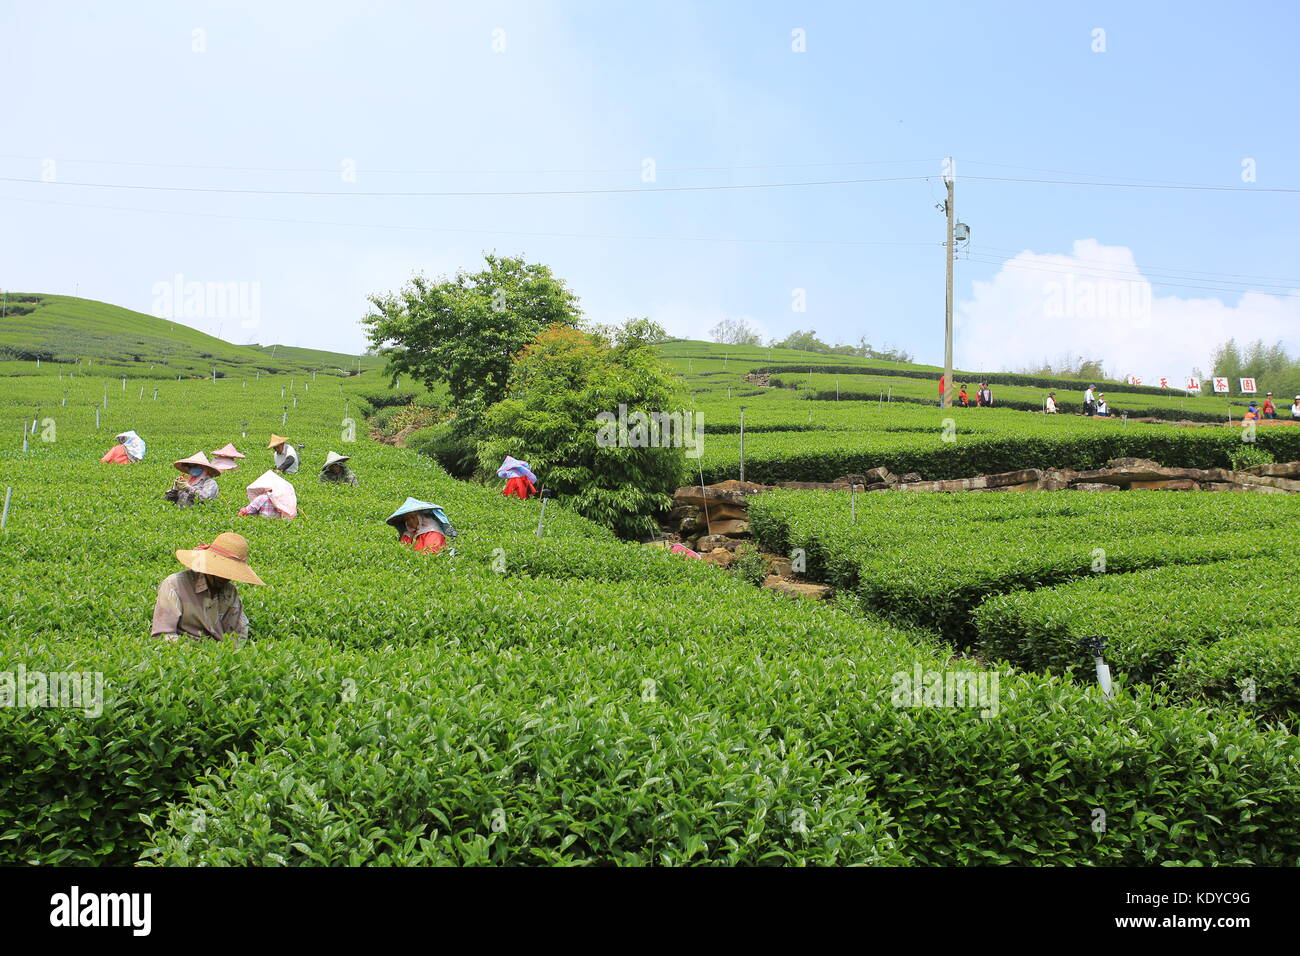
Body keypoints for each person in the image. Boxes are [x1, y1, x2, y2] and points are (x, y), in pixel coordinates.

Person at [151, 531, 265, 643]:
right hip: (186, 650)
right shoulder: (174, 585)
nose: (224, 577)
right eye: (220, 570)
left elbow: (238, 635)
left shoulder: (230, 592)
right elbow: (162, 635)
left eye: (229, 573)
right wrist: (195, 650)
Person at [386, 497, 453, 554]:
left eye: (412, 517)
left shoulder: (433, 534)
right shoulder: (408, 534)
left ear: (420, 517)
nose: (409, 521)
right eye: (406, 519)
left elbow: (431, 555)